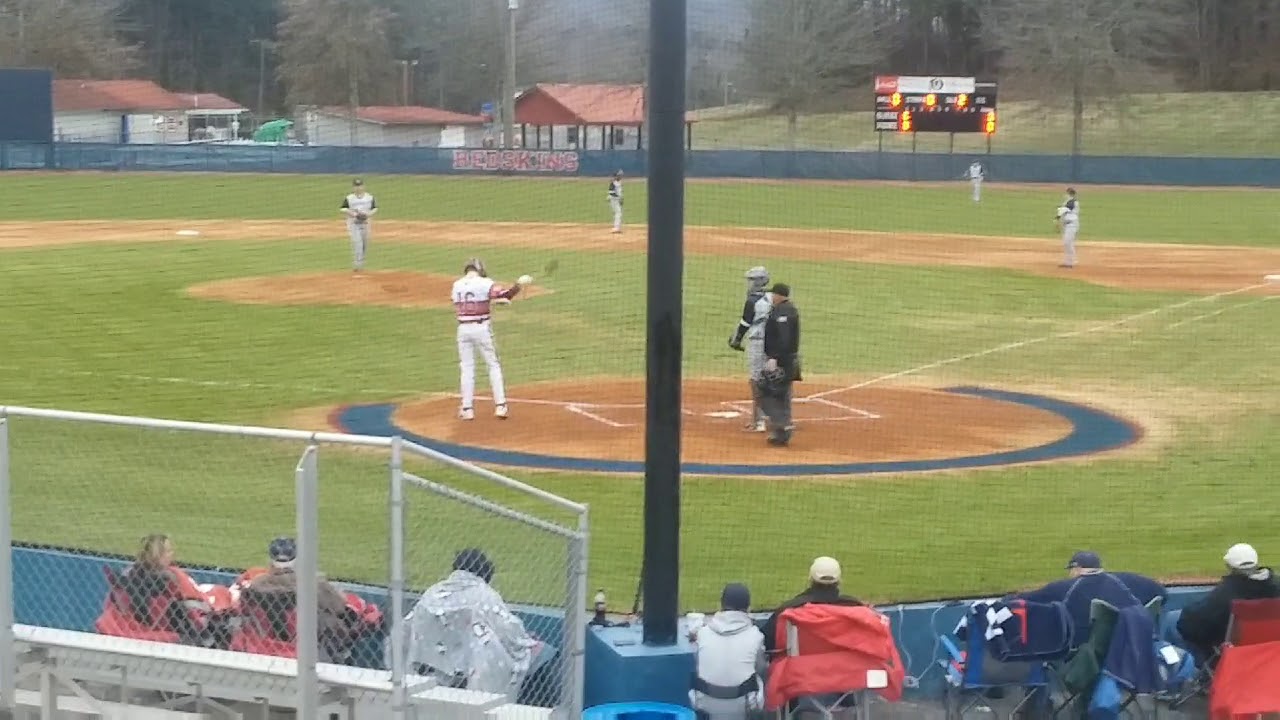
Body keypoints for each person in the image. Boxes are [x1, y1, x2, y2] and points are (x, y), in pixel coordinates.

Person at [396, 549, 550, 703]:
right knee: (546, 653)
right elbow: (508, 632)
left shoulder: (433, 591)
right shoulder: (484, 594)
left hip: (430, 664)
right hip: (472, 669)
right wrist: (526, 639)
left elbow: (406, 627)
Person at [1011, 551, 1164, 649]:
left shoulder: (1063, 587)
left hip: (1084, 651)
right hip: (1130, 644)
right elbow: (1161, 594)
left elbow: (1025, 600)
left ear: (1076, 569)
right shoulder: (1124, 579)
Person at [242, 536, 353, 660]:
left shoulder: (257, 584)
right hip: (308, 649)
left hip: (263, 646)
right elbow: (339, 607)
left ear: (270, 560)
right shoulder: (314, 584)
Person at [1174, 543, 1280, 663]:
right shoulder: (1276, 586)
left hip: (1233, 657)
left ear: (1229, 566)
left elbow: (1189, 626)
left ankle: (1180, 671)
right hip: (1271, 656)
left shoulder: (1225, 594)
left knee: (1172, 620)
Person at [452, 258, 529, 420]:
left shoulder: (457, 285)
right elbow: (505, 294)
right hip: (482, 329)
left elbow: (469, 304)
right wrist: (519, 285)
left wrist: (495, 302)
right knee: (493, 365)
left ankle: (467, 409)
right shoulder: (485, 283)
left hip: (463, 330)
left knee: (467, 368)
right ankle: (500, 406)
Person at [690, 583, 767, 720]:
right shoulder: (756, 636)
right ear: (748, 607)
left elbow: (697, 662)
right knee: (762, 677)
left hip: (704, 704)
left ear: (721, 604)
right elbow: (762, 669)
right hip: (743, 707)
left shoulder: (703, 632)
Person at [119, 533, 210, 643]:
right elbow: (197, 612)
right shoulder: (175, 576)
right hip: (173, 631)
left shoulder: (128, 574)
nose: (172, 554)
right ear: (159, 555)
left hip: (133, 626)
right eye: (168, 551)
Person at [762, 557, 862, 655]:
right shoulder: (856, 607)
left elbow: (765, 643)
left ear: (810, 578)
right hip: (847, 665)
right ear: (839, 580)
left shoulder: (789, 609)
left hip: (799, 665)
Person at [728, 266, 773, 432]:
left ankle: (758, 421)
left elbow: (745, 323)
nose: (750, 283)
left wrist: (736, 340)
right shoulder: (772, 297)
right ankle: (778, 417)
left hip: (757, 343)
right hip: (773, 343)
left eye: (752, 280)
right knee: (774, 378)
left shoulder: (752, 301)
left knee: (756, 380)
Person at [759, 283, 801, 447]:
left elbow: (784, 338)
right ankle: (782, 432)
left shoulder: (783, 312)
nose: (772, 297)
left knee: (766, 391)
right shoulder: (789, 309)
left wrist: (774, 358)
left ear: (779, 295)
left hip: (782, 361)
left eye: (773, 294)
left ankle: (782, 425)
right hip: (788, 360)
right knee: (783, 394)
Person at [340, 178, 377, 273]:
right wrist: (354, 214)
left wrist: (367, 215)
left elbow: (374, 208)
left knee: (364, 245)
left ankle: (361, 264)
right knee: (358, 244)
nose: (358, 188)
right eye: (356, 186)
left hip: (366, 224)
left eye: (359, 186)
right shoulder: (349, 198)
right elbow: (343, 208)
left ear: (363, 186)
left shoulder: (369, 197)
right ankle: (357, 266)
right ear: (353, 187)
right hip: (354, 224)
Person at [1055, 187, 1080, 268]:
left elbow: (1065, 209)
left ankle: (1071, 262)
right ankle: (1068, 262)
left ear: (1069, 194)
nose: (1065, 195)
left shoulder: (1073, 202)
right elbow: (1063, 210)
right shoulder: (1068, 202)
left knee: (1068, 243)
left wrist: (1057, 218)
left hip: (1072, 225)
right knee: (1067, 243)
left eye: (1067, 193)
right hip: (1068, 225)